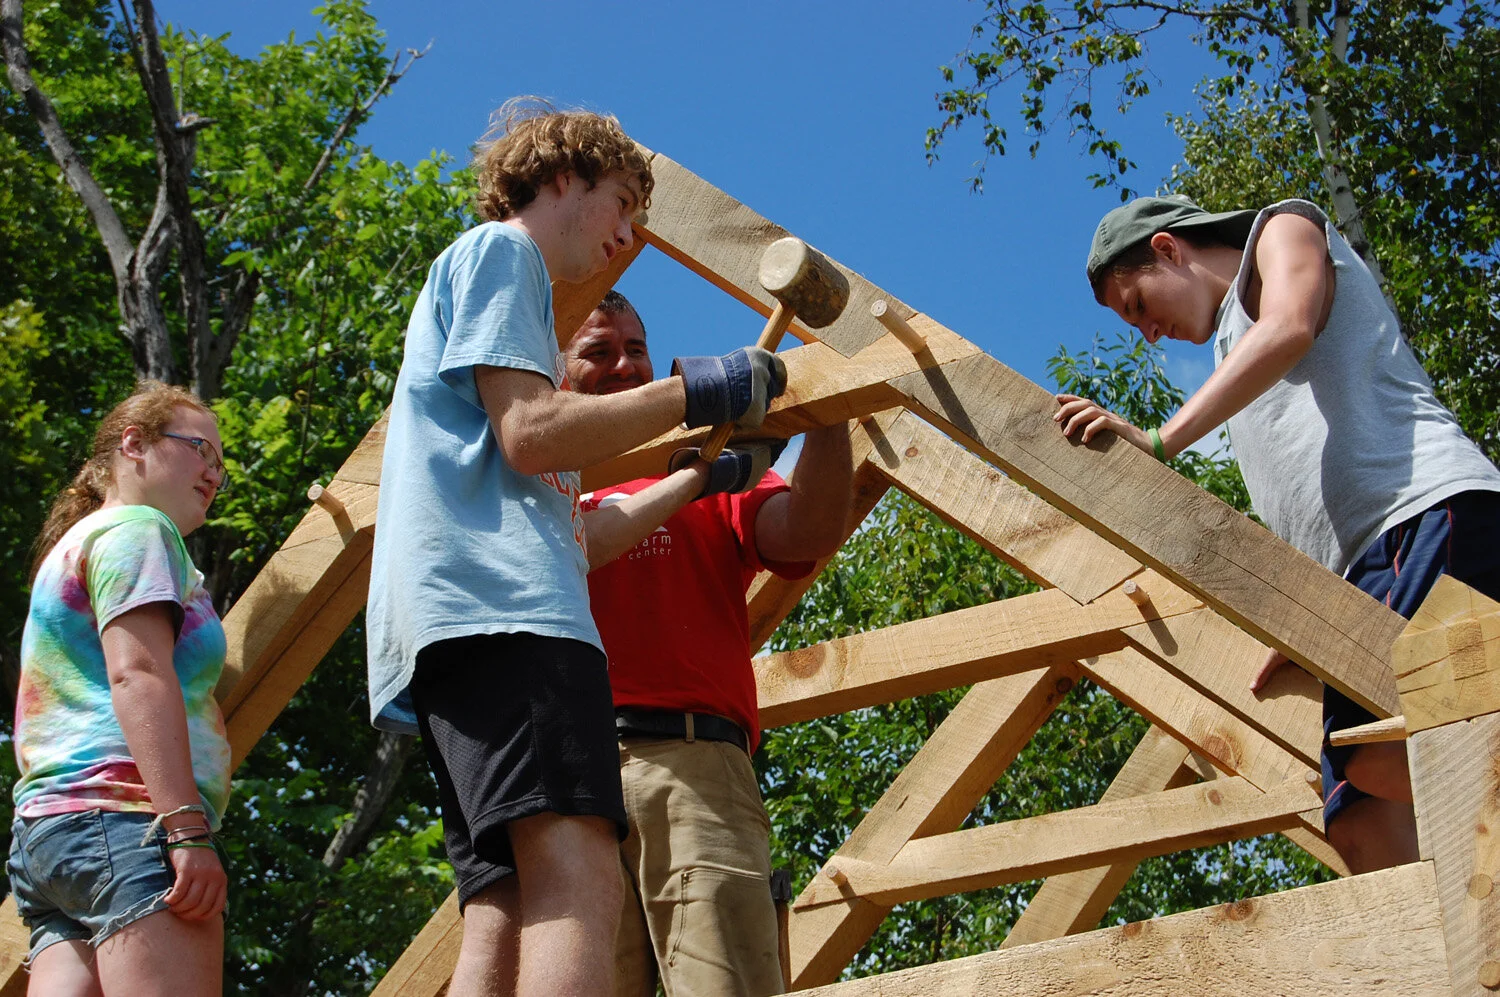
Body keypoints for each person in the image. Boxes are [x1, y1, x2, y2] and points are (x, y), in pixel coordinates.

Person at [363, 100, 787, 997]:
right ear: (564, 179)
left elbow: (577, 536)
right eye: (622, 204)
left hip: (456, 627)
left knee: (505, 904)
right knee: (582, 875)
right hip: (509, 618)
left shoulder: (511, 322)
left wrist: (693, 483)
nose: (627, 235)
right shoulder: (502, 254)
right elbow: (533, 432)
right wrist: (698, 389)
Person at [1058, 194, 1500, 874]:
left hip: (1423, 512)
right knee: (1357, 821)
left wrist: (1159, 437)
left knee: (1389, 744)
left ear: (1169, 249)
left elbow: (1292, 324)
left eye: (1138, 304)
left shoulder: (1283, 230)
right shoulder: (1233, 363)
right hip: (1358, 575)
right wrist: (1298, 621)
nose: (1147, 331)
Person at [566, 291, 853, 996]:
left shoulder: (701, 470)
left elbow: (806, 532)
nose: (624, 365)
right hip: (567, 778)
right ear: (558, 374)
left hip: (692, 764)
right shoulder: (542, 479)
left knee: (724, 983)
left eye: (635, 348)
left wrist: (829, 410)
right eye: (598, 352)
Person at [8, 381, 232, 997]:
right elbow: (137, 672)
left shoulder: (72, 546)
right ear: (133, 444)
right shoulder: (139, 529)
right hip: (127, 817)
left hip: (49, 836)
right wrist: (185, 828)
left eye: (221, 462)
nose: (213, 472)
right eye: (198, 449)